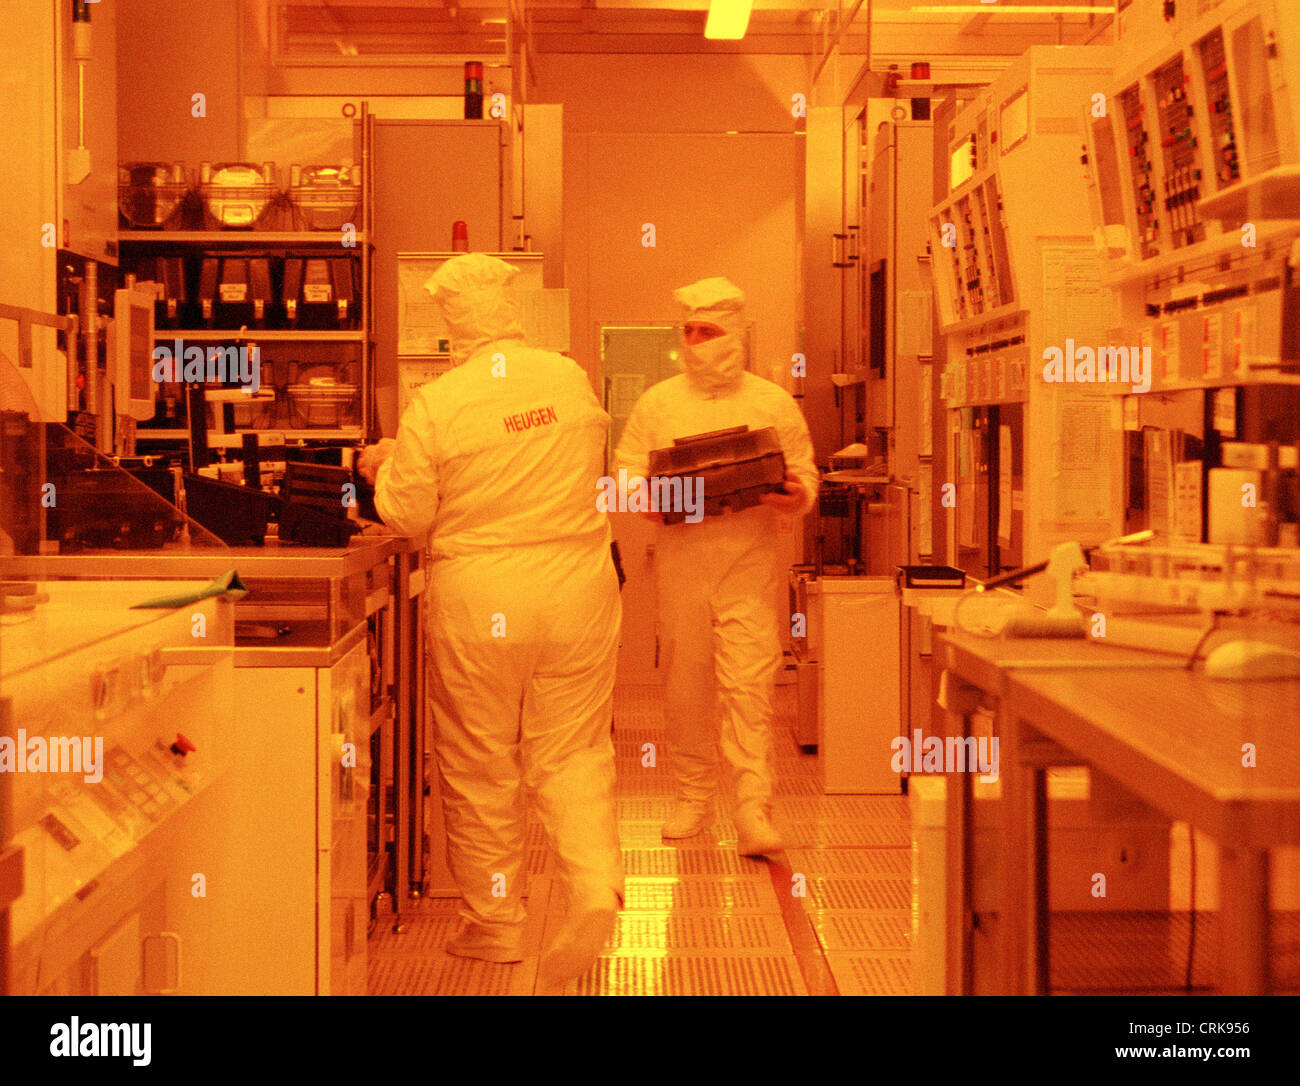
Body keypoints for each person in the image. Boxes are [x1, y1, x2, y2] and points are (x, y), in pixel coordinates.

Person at [358, 253, 623, 987]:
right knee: (571, 750)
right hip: (577, 583)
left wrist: (384, 468)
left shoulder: (439, 403)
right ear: (514, 314)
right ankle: (595, 886)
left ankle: (496, 925)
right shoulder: (567, 378)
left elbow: (409, 516)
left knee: (480, 762)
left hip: (483, 594)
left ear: (449, 325)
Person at [614, 277, 818, 857]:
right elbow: (628, 467)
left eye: (710, 331)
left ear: (735, 335)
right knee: (684, 684)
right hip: (680, 565)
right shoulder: (659, 401)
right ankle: (692, 798)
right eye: (690, 331)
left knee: (748, 687)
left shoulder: (770, 401)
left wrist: (793, 494)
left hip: (747, 565)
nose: (698, 341)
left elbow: (803, 471)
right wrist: (642, 498)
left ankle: (753, 809)